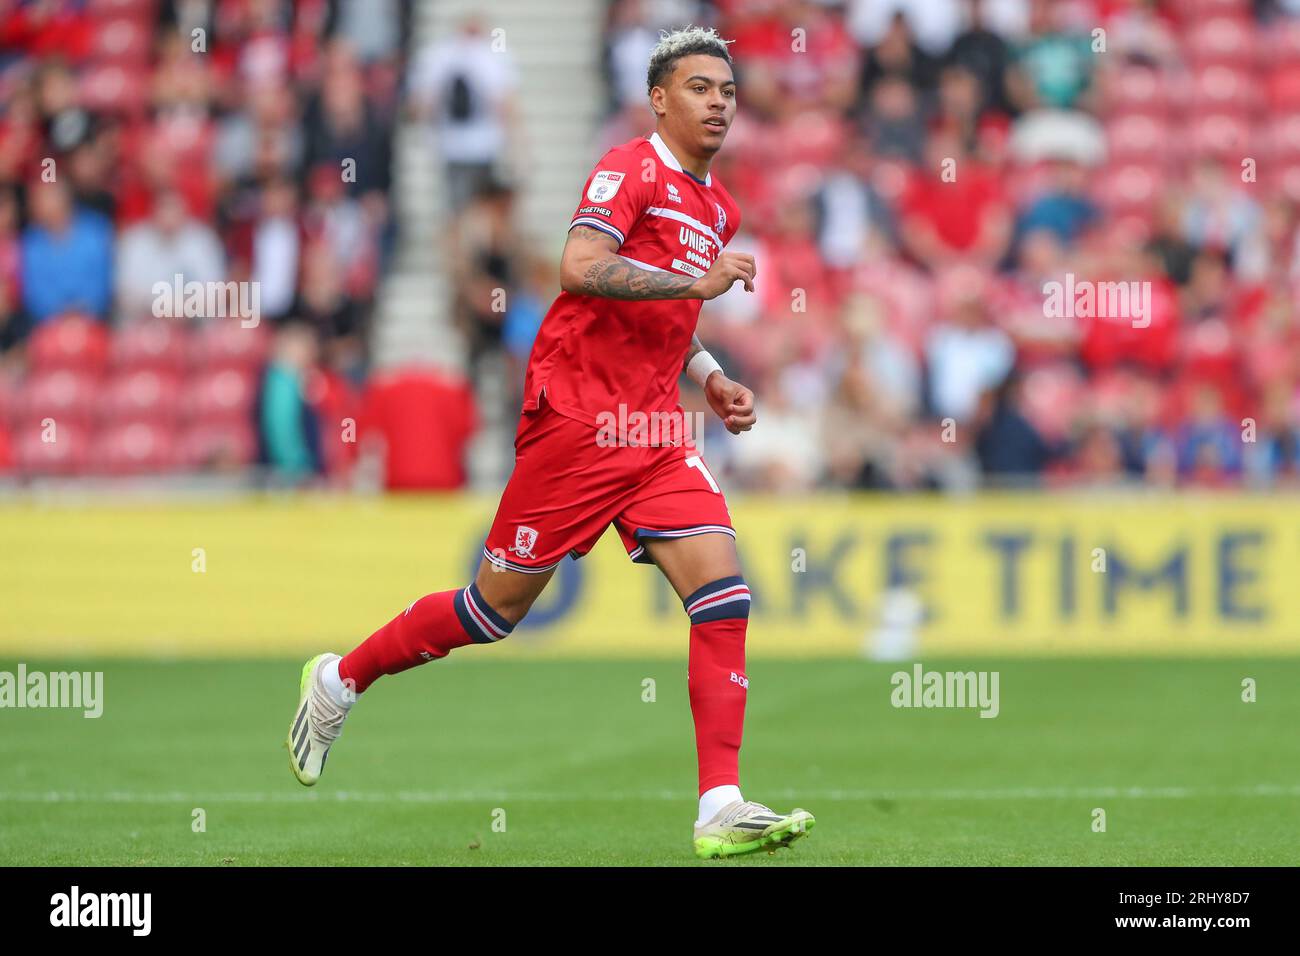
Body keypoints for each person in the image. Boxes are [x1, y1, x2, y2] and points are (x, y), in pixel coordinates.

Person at [285, 26, 816, 860]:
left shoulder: (719, 207)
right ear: (659, 99)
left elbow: (670, 319)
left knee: (724, 595)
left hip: (649, 428)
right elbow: (578, 264)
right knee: (491, 611)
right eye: (700, 88)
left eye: (727, 90)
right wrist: (695, 283)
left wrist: (708, 374)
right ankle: (339, 680)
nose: (718, 102)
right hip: (576, 417)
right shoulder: (628, 167)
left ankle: (719, 802)